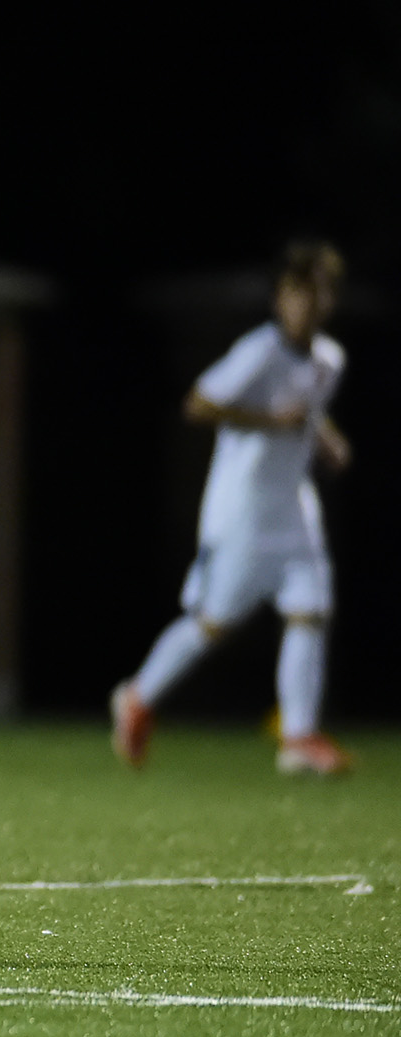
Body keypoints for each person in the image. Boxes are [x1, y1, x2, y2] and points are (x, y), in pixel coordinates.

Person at [111, 240, 353, 775]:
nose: (308, 302)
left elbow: (306, 412)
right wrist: (273, 423)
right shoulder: (259, 352)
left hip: (295, 509)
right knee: (213, 624)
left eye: (319, 291)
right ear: (280, 298)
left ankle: (298, 737)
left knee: (311, 610)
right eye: (298, 290)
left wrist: (324, 438)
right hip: (243, 512)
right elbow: (199, 403)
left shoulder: (329, 359)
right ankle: (138, 697)